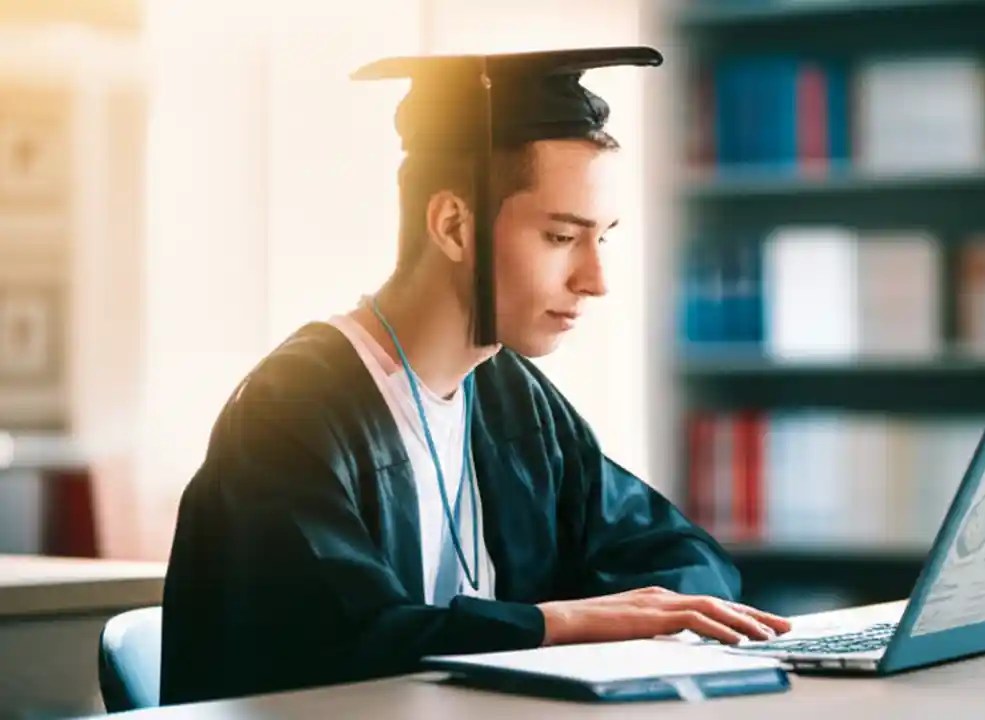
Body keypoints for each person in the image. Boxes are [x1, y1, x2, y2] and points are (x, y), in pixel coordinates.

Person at [159, 46, 790, 705]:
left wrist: (657, 609)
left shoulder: (513, 397)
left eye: (602, 237)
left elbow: (676, 554)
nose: (594, 280)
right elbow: (332, 642)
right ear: (453, 225)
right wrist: (557, 623)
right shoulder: (292, 409)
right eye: (559, 237)